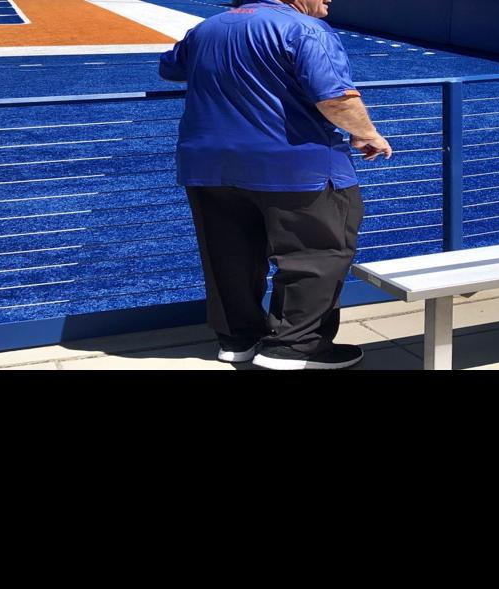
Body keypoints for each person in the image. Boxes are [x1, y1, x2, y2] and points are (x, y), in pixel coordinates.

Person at [159, 0, 393, 370]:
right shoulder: (305, 29)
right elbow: (334, 97)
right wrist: (368, 135)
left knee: (228, 254)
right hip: (297, 167)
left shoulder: (207, 27)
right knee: (319, 253)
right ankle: (294, 348)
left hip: (208, 164)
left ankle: (238, 339)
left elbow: (170, 67)